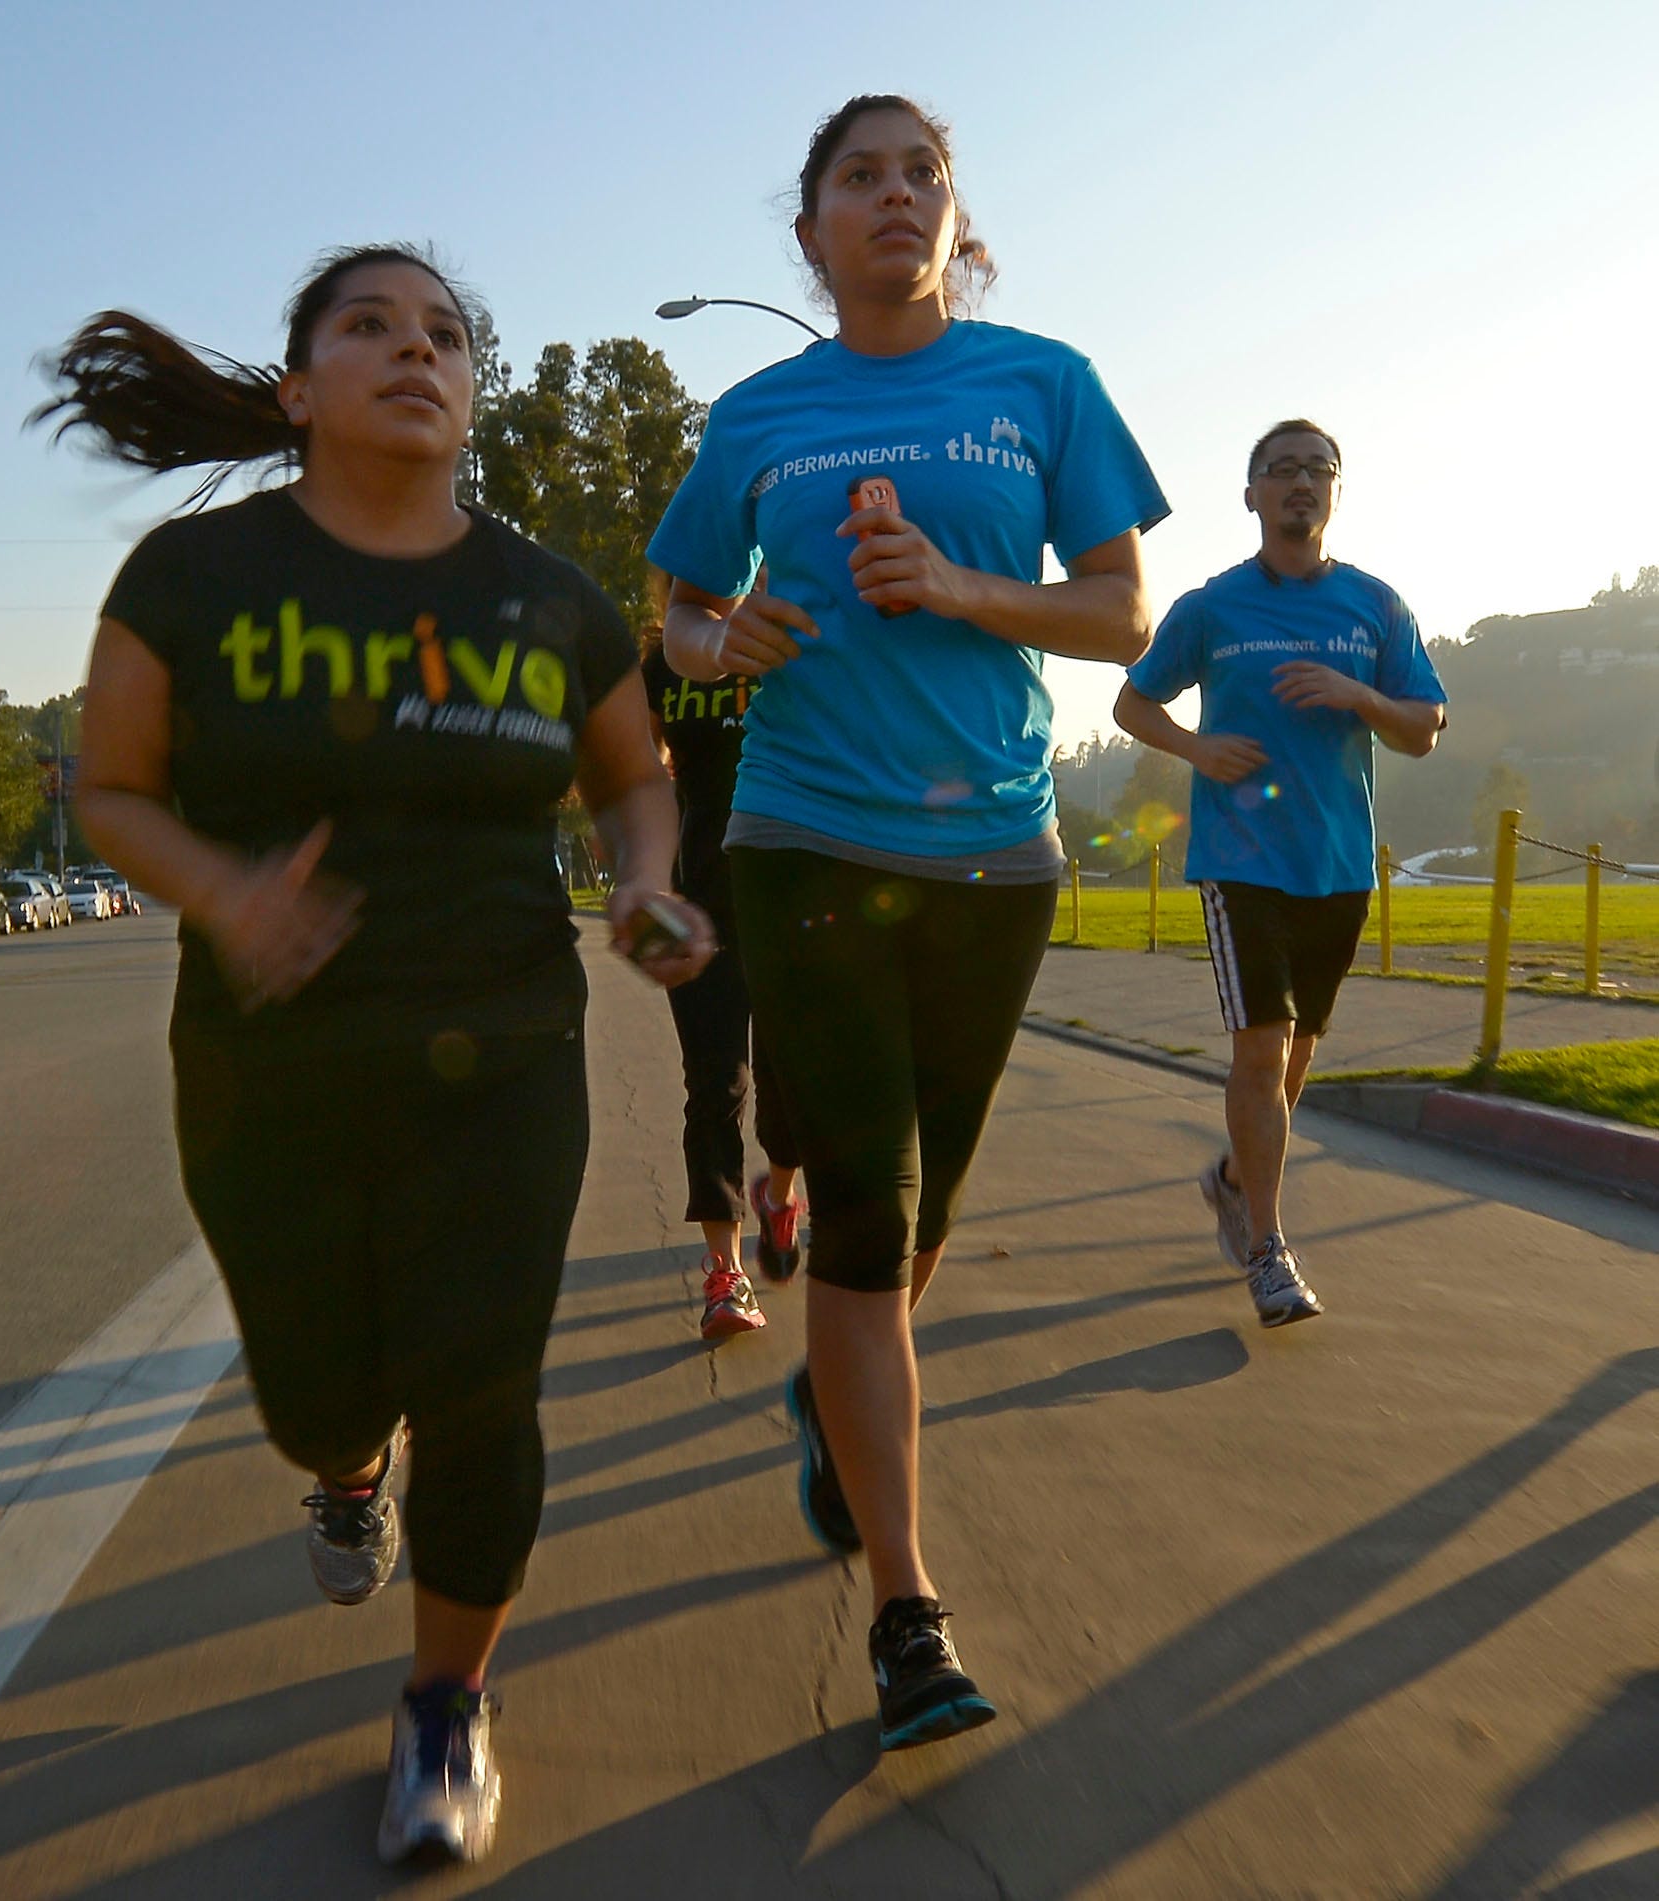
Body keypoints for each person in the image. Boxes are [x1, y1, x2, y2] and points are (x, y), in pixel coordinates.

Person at [42, 244, 709, 1864]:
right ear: (301, 390)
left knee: (481, 1388)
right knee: (316, 1392)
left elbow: (635, 774)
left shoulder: (543, 596)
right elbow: (110, 789)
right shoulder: (192, 580)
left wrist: (639, 880)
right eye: (369, 327)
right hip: (268, 1056)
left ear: (469, 389)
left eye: (445, 336)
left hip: (503, 1048)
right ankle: (341, 1468)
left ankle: (443, 1701)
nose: (415, 352)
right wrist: (224, 889)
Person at [646, 94, 1166, 1752]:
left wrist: (950, 586)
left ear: (958, 220)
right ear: (807, 234)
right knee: (864, 1215)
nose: (890, 196)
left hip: (996, 857)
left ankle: (829, 1389)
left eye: (918, 174)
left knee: (917, 1216)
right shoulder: (760, 415)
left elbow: (1119, 613)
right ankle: (905, 1610)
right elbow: (671, 613)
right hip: (802, 843)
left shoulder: (1045, 385)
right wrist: (720, 644)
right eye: (855, 178)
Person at [1114, 422, 1446, 1324]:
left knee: (1292, 1064)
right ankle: (1268, 1248)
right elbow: (1131, 700)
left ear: (1336, 493)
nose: (1301, 483)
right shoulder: (1213, 606)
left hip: (1336, 862)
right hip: (1239, 859)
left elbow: (1423, 728)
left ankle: (1231, 1177)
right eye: (1282, 470)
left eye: (1318, 471)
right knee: (1260, 1051)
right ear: (1251, 492)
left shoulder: (1376, 607)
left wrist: (1361, 697)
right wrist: (1196, 745)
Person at [642, 620, 806, 1339]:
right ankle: (724, 1272)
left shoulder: (796, 641)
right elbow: (638, 773)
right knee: (715, 1083)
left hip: (792, 905)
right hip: (699, 905)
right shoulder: (665, 665)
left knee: (789, 1082)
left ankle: (780, 1193)